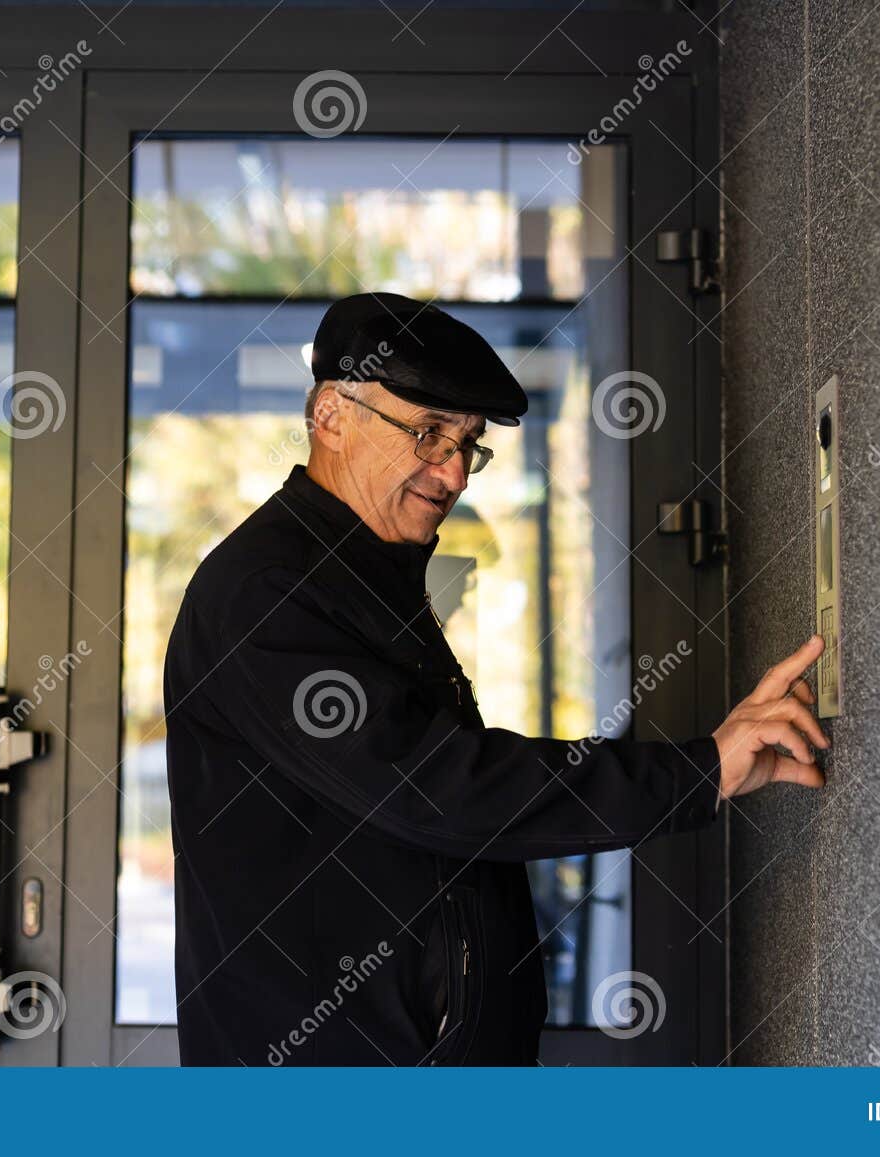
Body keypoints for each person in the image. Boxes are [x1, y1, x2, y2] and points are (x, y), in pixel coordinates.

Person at [163, 291, 829, 1066]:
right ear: (330, 416)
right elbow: (439, 788)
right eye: (427, 433)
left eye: (467, 445)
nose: (453, 472)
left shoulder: (359, 578)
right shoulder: (268, 594)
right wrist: (698, 769)